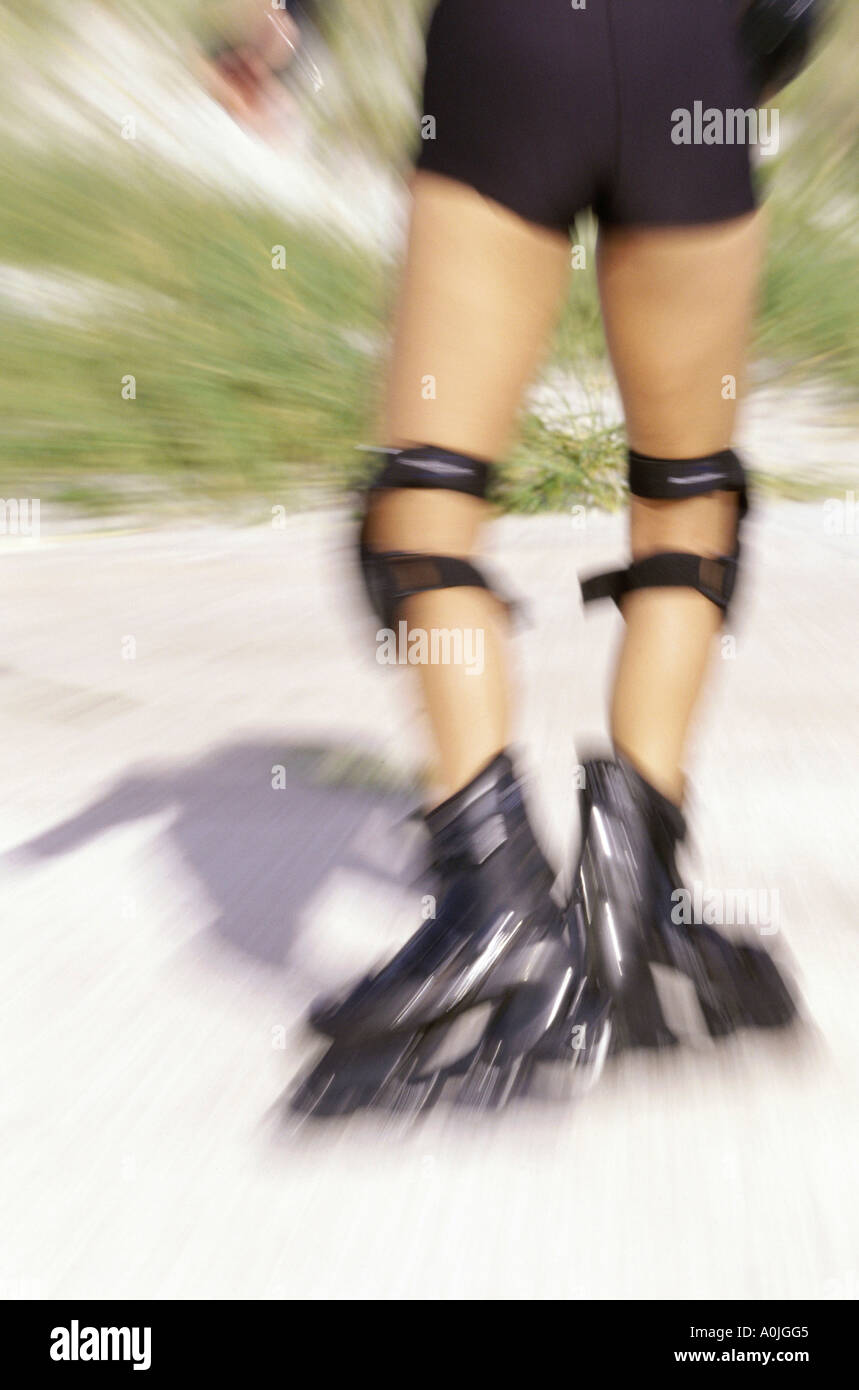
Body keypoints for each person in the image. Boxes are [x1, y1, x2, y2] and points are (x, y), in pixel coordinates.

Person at [207, 2, 825, 1116]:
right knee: (691, 504)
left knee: (424, 502)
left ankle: (493, 907)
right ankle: (634, 901)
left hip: (515, 53)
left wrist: (283, 33)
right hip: (692, 63)